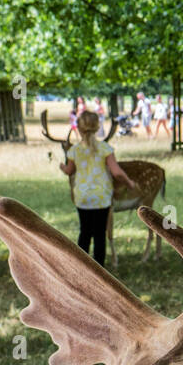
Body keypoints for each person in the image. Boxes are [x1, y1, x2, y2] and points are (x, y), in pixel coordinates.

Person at [58, 110, 138, 266]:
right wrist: (130, 183)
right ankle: (99, 270)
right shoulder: (105, 148)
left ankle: (82, 268)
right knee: (100, 234)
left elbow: (69, 171)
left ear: (79, 129)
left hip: (82, 197)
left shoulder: (74, 150)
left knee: (85, 232)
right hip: (101, 197)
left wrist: (62, 166)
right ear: (97, 127)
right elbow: (116, 172)